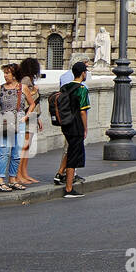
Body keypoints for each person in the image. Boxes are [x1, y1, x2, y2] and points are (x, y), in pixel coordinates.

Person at [0, 63, 28, 192]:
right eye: (4, 73)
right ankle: (0, 180)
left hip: (19, 122)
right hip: (4, 121)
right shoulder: (0, 89)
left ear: (14, 75)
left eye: (7, 73)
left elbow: (32, 104)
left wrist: (26, 117)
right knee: (3, 152)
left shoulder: (23, 88)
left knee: (16, 153)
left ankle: (12, 179)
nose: (5, 75)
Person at [57, 62, 90, 198]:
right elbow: (83, 111)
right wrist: (85, 128)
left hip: (66, 124)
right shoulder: (82, 89)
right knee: (73, 155)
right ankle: (69, 188)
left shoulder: (65, 87)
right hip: (76, 124)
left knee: (70, 149)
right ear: (83, 73)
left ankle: (60, 174)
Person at [16, 58, 42, 185]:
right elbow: (23, 95)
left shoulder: (30, 79)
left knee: (27, 147)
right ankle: (18, 174)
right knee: (24, 147)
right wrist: (34, 90)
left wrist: (38, 118)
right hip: (27, 116)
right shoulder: (26, 79)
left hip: (32, 116)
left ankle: (24, 173)